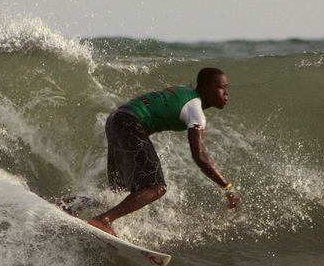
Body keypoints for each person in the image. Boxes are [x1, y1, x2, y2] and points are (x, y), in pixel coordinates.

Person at [86, 67, 240, 236]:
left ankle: (70, 205)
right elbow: (200, 156)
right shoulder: (195, 112)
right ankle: (103, 220)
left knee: (119, 192)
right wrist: (227, 187)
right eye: (221, 88)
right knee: (156, 187)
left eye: (227, 88)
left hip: (116, 119)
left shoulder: (186, 92)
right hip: (129, 123)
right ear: (205, 88)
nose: (226, 94)